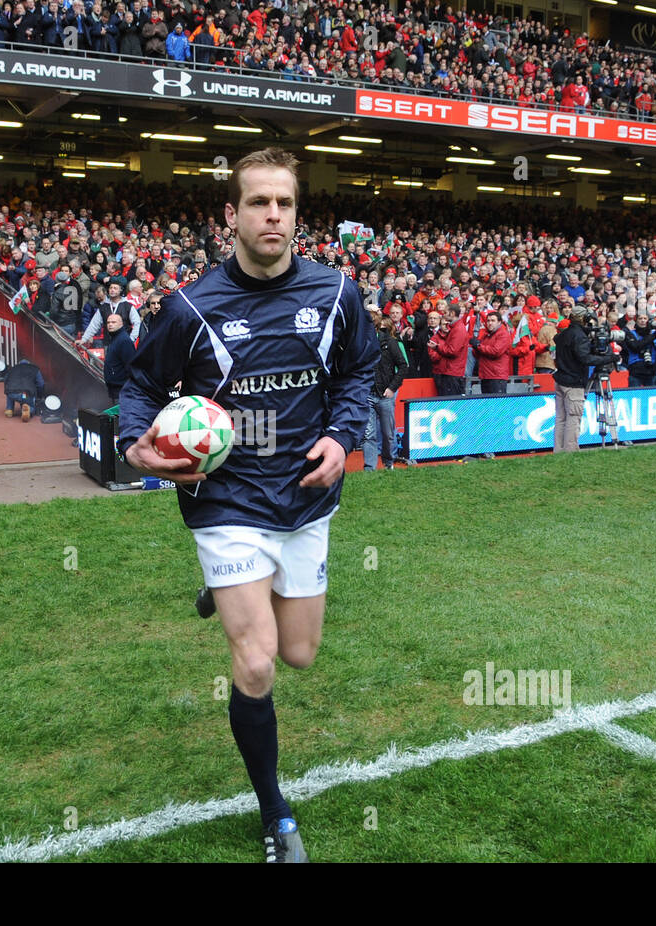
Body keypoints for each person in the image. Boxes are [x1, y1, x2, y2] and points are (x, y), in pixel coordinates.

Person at [117, 148, 376, 863]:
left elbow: (360, 369)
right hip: (226, 500)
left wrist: (341, 436)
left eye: (284, 203)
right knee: (257, 666)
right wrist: (136, 443)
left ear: (297, 214)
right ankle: (275, 815)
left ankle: (230, 592)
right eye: (258, 202)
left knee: (299, 655)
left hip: (306, 500)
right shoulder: (191, 307)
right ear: (231, 215)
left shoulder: (337, 293)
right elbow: (141, 384)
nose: (272, 215)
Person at [552, 306, 614, 453]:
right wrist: (609, 358)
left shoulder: (564, 334)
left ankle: (558, 450)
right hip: (574, 383)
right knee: (573, 418)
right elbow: (585, 358)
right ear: (584, 318)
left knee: (561, 418)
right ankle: (571, 450)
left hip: (560, 380)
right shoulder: (579, 336)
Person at [362, 304, 406, 470]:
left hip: (385, 394)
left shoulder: (390, 342)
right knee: (369, 434)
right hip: (367, 393)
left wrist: (392, 388)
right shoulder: (361, 342)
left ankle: (388, 463)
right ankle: (369, 468)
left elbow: (403, 366)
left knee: (388, 433)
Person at [102, 306, 135, 407]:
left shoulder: (124, 340)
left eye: (113, 322)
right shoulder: (115, 338)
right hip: (115, 388)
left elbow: (131, 366)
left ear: (121, 324)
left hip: (122, 389)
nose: (110, 324)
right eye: (108, 322)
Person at [472, 310, 511, 394]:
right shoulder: (486, 335)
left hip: (496, 376)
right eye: (488, 321)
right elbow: (478, 354)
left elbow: (495, 351)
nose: (490, 323)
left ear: (499, 322)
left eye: (493, 321)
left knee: (497, 401)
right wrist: (475, 347)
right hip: (486, 375)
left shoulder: (503, 335)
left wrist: (478, 346)